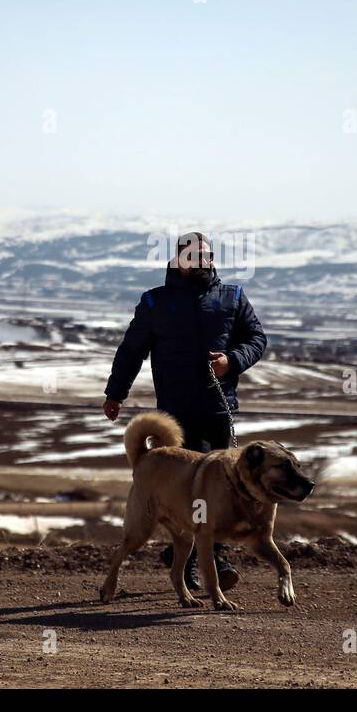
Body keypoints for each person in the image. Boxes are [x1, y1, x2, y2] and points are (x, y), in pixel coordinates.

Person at [102, 231, 267, 592]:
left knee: (224, 487)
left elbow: (257, 338)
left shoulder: (233, 297)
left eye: (205, 255)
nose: (199, 260)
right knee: (189, 489)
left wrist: (232, 360)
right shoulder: (155, 302)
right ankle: (191, 562)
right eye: (191, 255)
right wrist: (116, 393)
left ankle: (213, 558)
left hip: (218, 409)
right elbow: (132, 350)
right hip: (175, 414)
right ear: (178, 259)